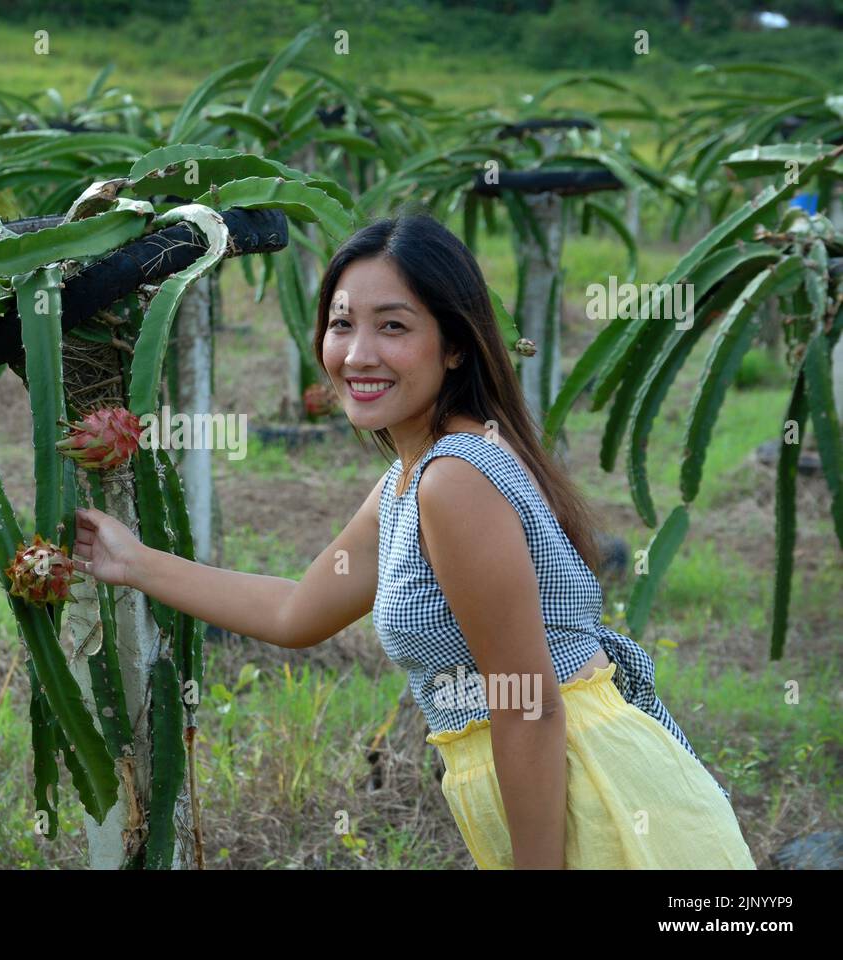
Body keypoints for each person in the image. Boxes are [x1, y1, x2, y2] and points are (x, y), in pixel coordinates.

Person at [70, 211, 757, 870]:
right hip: (572, 788)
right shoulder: (415, 475)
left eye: (393, 327)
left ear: (454, 344)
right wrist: (133, 561)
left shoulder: (454, 479)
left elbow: (528, 702)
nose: (358, 354)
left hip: (599, 800)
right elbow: (294, 613)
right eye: (342, 324)